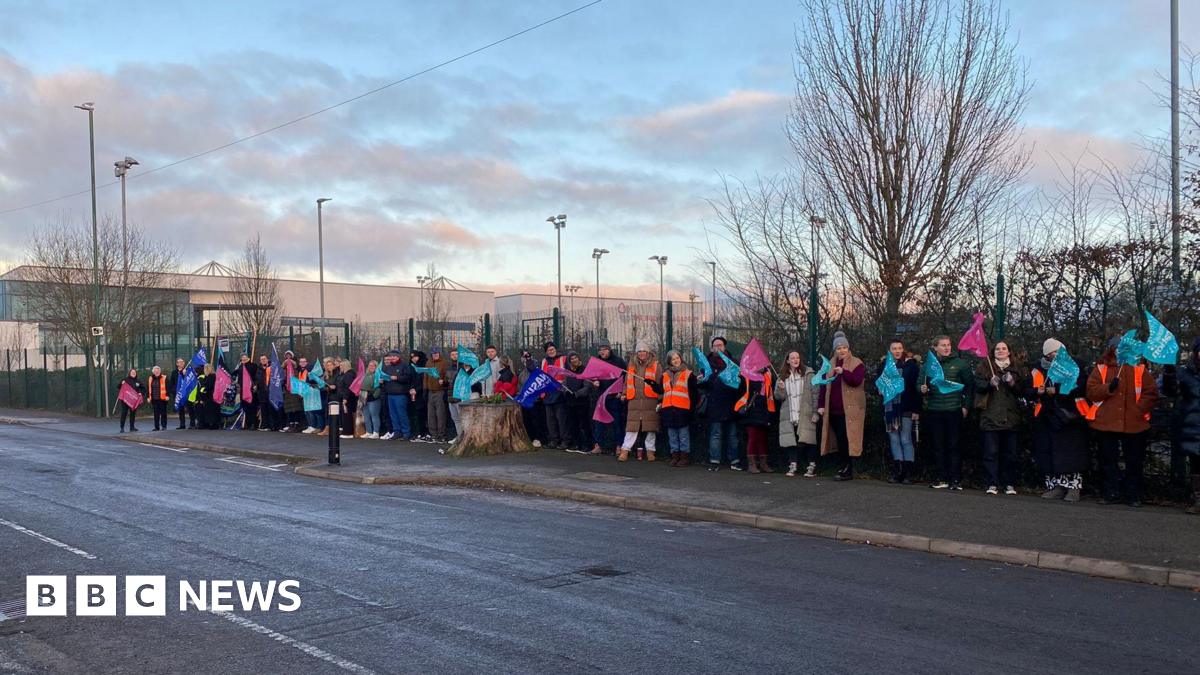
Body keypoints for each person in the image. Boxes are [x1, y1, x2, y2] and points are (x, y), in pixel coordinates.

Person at [1086, 336, 1160, 507]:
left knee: (1134, 461)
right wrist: (1108, 388)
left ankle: (1133, 495)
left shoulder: (1139, 369)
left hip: (1134, 423)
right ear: (1111, 349)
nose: (1119, 350)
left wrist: (1138, 410)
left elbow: (1151, 393)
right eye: (1116, 347)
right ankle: (1111, 492)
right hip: (1106, 422)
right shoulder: (1101, 368)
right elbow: (1091, 391)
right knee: (1107, 461)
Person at [921, 334, 972, 490]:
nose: (946, 348)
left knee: (954, 446)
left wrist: (965, 406)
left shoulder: (961, 364)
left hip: (953, 410)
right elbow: (919, 384)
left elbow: (969, 387)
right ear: (935, 347)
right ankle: (940, 478)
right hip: (935, 410)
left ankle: (955, 479)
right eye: (943, 345)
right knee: (937, 446)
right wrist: (921, 389)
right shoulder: (928, 365)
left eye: (948, 345)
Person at [974, 341, 1025, 496]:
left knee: (1010, 453)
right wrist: (989, 383)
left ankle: (1009, 483)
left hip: (1011, 417)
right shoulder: (984, 367)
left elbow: (1023, 391)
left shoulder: (1018, 369)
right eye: (997, 349)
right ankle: (992, 483)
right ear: (992, 352)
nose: (1001, 351)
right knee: (991, 452)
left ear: (1009, 351)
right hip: (990, 416)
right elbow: (978, 386)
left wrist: (1012, 383)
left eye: (1004, 348)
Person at [817, 331, 866, 480]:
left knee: (847, 438)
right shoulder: (829, 364)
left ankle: (848, 468)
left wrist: (843, 372)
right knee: (839, 439)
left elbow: (856, 381)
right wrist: (821, 405)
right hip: (833, 410)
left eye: (844, 347)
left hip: (850, 410)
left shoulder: (857, 363)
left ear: (848, 348)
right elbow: (823, 386)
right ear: (835, 350)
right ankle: (843, 466)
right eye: (838, 348)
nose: (842, 350)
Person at [1163, 337, 1200, 514]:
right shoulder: (1186, 373)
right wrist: (1169, 372)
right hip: (1194, 426)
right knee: (1196, 465)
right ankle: (1197, 499)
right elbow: (1171, 391)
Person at [880, 340, 921, 483]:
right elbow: (879, 384)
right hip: (890, 408)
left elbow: (916, 389)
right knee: (894, 439)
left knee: (906, 439)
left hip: (906, 407)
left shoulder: (911, 366)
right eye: (894, 348)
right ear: (889, 350)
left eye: (899, 348)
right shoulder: (884, 366)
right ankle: (898, 470)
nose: (897, 351)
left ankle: (909, 472)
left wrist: (916, 409)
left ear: (903, 349)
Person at [774, 351, 818, 477]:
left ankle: (811, 465)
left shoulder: (809, 375)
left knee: (809, 440)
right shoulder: (782, 377)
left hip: (806, 412)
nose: (795, 360)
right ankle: (793, 464)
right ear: (787, 361)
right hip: (789, 413)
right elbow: (778, 397)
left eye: (797, 357)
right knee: (791, 440)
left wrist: (815, 412)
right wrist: (781, 388)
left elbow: (816, 394)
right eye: (792, 358)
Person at [701, 336, 742, 470]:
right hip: (715, 404)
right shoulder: (706, 364)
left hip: (731, 404)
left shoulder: (734, 363)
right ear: (711, 348)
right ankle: (714, 461)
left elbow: (740, 383)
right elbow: (704, 384)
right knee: (715, 434)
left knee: (733, 435)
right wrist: (702, 380)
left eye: (720, 345)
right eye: (715, 346)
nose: (717, 348)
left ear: (725, 347)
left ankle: (734, 461)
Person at [618, 343, 662, 462]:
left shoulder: (656, 365)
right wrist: (624, 393)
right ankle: (625, 450)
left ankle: (650, 451)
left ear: (648, 353)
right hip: (634, 401)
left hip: (651, 401)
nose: (641, 353)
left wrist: (661, 398)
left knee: (650, 428)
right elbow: (627, 382)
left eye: (644, 351)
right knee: (631, 428)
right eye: (639, 351)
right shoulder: (631, 366)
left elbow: (660, 383)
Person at [525, 342, 569, 449]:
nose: (551, 351)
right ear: (546, 352)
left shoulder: (563, 359)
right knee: (550, 420)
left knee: (561, 419)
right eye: (549, 350)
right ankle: (554, 440)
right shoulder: (544, 361)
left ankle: (565, 441)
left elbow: (569, 373)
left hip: (560, 392)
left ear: (556, 349)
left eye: (552, 349)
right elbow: (534, 371)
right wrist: (528, 359)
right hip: (548, 393)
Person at [660, 350, 698, 467]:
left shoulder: (689, 374)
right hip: (668, 409)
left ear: (681, 359)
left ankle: (684, 457)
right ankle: (675, 455)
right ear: (669, 361)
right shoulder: (665, 375)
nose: (676, 360)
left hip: (683, 409)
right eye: (673, 359)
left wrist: (692, 409)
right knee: (672, 435)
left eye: (677, 358)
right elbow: (662, 391)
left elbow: (694, 394)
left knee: (683, 435)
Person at [735, 364, 776, 474]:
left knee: (763, 437)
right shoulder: (747, 375)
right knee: (753, 436)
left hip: (764, 409)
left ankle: (763, 463)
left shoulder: (768, 375)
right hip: (751, 410)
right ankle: (751, 464)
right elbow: (742, 390)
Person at [588, 341, 627, 455]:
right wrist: (595, 382)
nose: (602, 352)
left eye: (604, 349)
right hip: (601, 398)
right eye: (600, 350)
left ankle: (619, 446)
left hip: (615, 397)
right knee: (599, 423)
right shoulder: (597, 362)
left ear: (609, 349)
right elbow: (592, 376)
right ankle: (598, 445)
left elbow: (625, 377)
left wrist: (622, 392)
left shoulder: (618, 361)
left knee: (617, 423)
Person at [561, 352, 594, 453]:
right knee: (573, 424)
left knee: (584, 424)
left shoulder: (585, 369)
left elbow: (587, 386)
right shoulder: (568, 372)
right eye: (572, 359)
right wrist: (566, 391)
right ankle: (576, 444)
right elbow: (564, 384)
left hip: (582, 402)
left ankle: (587, 445)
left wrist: (577, 393)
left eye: (575, 357)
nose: (574, 360)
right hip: (571, 402)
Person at [381, 350, 417, 440]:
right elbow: (385, 378)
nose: (392, 358)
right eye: (391, 356)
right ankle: (397, 432)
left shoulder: (404, 366)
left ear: (398, 357)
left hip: (400, 394)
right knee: (393, 414)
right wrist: (382, 381)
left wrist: (397, 378)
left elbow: (408, 378)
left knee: (402, 414)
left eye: (394, 356)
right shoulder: (388, 367)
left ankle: (406, 433)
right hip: (390, 394)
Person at [424, 348, 451, 442]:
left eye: (436, 353)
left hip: (440, 391)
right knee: (430, 414)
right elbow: (425, 376)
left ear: (439, 354)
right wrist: (425, 388)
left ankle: (441, 434)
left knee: (440, 414)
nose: (435, 355)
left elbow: (447, 376)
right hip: (430, 391)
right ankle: (433, 434)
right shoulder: (428, 363)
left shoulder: (444, 363)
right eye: (433, 353)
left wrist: (443, 382)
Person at [281, 350, 304, 432]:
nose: (288, 357)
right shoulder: (284, 367)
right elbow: (281, 377)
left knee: (296, 408)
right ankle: (290, 424)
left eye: (289, 355)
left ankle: (297, 425)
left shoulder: (296, 366)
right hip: (287, 390)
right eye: (286, 356)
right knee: (289, 409)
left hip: (294, 389)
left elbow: (299, 376)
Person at [335, 357, 358, 440]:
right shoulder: (344, 374)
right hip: (344, 397)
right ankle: (346, 431)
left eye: (341, 365)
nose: (340, 367)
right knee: (345, 415)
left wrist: (345, 398)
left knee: (347, 415)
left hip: (348, 398)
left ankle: (348, 432)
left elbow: (348, 387)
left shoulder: (349, 375)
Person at [254, 354, 278, 432]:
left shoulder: (272, 367)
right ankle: (265, 425)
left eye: (264, 359)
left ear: (267, 359)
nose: (263, 360)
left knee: (271, 409)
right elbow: (257, 379)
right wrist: (255, 386)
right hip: (261, 393)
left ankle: (273, 425)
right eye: (261, 359)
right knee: (263, 410)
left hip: (270, 392)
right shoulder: (259, 368)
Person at [168, 357, 193, 429]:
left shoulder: (187, 371)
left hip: (186, 393)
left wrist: (185, 374)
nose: (181, 363)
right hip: (178, 394)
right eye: (179, 362)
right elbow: (171, 383)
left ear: (184, 363)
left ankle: (192, 424)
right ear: (177, 364)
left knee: (190, 408)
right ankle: (182, 424)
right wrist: (173, 391)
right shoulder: (174, 372)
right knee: (180, 409)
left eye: (182, 362)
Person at [409, 350, 429, 440]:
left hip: (421, 393)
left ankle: (423, 432)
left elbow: (423, 381)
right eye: (412, 357)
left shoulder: (423, 367)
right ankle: (416, 432)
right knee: (414, 414)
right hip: (411, 393)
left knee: (422, 414)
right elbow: (409, 379)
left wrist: (416, 389)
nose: (414, 359)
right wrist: (411, 388)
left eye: (415, 357)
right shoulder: (410, 367)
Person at [117, 368, 145, 433]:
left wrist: (141, 393)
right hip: (125, 400)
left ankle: (132, 427)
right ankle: (122, 427)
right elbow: (118, 387)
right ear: (129, 373)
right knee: (124, 413)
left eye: (134, 372)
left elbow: (143, 388)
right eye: (132, 372)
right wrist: (121, 383)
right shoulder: (125, 380)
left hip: (134, 400)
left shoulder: (138, 381)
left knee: (133, 414)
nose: (133, 373)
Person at [361, 359, 383, 439]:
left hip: (374, 399)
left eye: (373, 365)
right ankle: (368, 432)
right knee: (366, 416)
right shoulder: (365, 375)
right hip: (364, 398)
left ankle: (376, 432)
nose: (371, 367)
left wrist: (374, 396)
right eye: (370, 365)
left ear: (376, 367)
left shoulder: (378, 375)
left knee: (374, 415)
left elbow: (378, 388)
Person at [236, 354, 258, 431]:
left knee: (252, 407)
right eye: (242, 359)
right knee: (245, 407)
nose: (244, 360)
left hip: (251, 389)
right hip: (243, 390)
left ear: (248, 358)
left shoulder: (253, 365)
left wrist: (255, 385)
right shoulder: (241, 367)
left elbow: (256, 376)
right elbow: (238, 377)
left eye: (245, 358)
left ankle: (253, 424)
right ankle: (247, 423)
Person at [147, 365, 170, 431]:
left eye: (158, 371)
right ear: (153, 372)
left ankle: (164, 426)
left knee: (163, 413)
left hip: (162, 399)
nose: (156, 372)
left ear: (160, 371)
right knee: (156, 414)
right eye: (155, 371)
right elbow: (148, 388)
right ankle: (156, 427)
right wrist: (148, 397)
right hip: (154, 399)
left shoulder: (164, 377)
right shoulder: (150, 378)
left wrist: (167, 395)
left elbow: (168, 387)